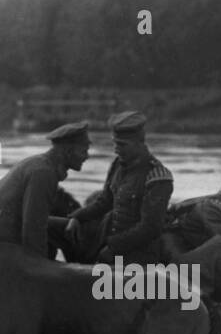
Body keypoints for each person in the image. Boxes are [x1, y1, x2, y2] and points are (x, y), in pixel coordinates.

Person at [59, 111, 173, 265]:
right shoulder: (118, 165)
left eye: (122, 145)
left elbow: (150, 228)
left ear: (139, 142)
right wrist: (76, 217)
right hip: (111, 247)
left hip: (139, 257)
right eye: (115, 143)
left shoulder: (158, 177)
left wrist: (113, 247)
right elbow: (104, 202)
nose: (116, 149)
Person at [0, 121, 91, 256]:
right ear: (68, 151)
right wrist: (39, 266)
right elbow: (32, 228)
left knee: (64, 226)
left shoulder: (37, 162)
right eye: (84, 151)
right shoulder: (44, 173)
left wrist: (68, 223)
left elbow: (33, 218)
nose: (87, 156)